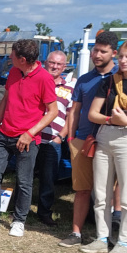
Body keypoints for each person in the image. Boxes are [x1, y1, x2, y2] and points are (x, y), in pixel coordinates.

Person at [0, 40, 58, 237]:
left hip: (27, 139)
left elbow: (52, 112)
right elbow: (5, 98)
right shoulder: (13, 72)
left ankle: (19, 220)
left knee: (24, 181)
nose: (9, 57)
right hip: (4, 134)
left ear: (22, 59)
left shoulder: (45, 79)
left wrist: (30, 134)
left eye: (12, 55)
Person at [80, 39, 127, 253]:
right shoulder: (108, 82)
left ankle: (124, 241)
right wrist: (112, 119)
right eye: (122, 56)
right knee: (101, 193)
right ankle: (101, 237)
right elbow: (93, 114)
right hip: (106, 136)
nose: (123, 61)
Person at [60, 30, 118, 247]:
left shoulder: (121, 77)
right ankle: (76, 233)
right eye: (95, 50)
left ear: (114, 53)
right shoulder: (84, 80)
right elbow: (74, 110)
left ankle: (105, 236)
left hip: (109, 140)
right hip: (83, 141)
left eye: (103, 51)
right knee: (82, 190)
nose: (97, 55)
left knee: (105, 191)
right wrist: (72, 138)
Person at [33, 51, 74, 226]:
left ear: (64, 67)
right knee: (25, 175)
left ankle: (44, 213)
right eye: (52, 63)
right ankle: (19, 210)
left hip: (53, 140)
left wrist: (60, 137)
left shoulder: (70, 89)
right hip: (33, 138)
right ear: (45, 62)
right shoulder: (37, 82)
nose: (55, 66)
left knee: (49, 179)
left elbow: (71, 116)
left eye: (59, 64)